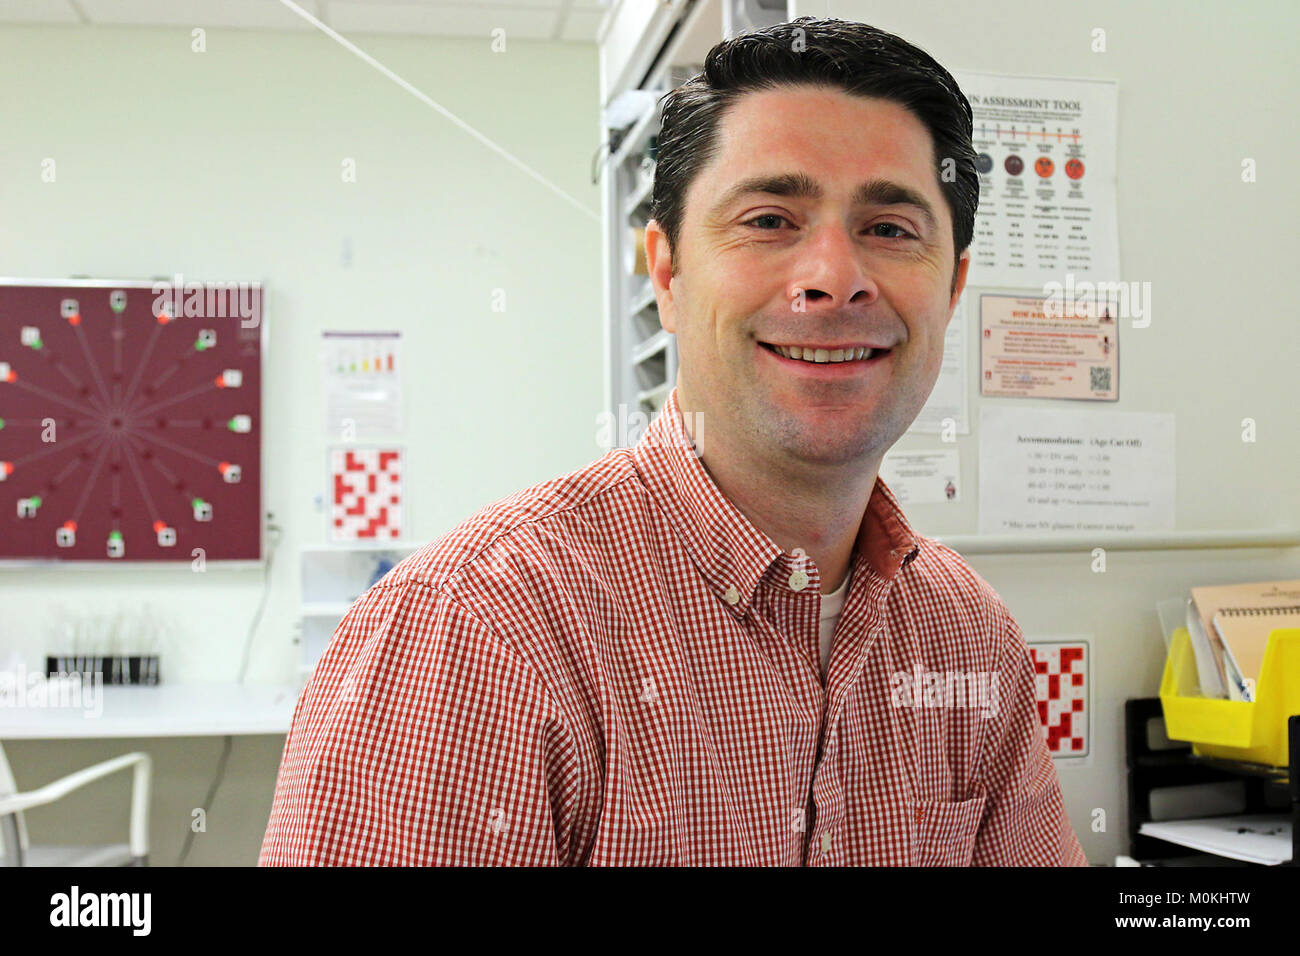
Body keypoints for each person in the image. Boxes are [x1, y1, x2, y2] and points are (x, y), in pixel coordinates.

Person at [260, 16, 1087, 867]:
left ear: (951, 286)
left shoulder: (966, 637)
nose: (835, 279)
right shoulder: (473, 638)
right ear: (667, 272)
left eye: (889, 229)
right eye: (770, 220)